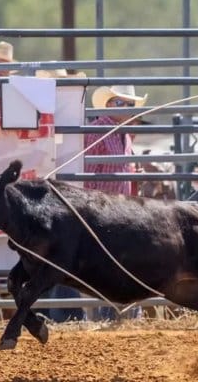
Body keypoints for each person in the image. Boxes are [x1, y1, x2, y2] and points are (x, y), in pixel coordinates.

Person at [85, 85, 148, 320]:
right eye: (121, 103)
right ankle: (110, 314)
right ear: (108, 105)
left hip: (121, 209)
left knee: (125, 262)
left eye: (130, 105)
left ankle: (129, 313)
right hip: (100, 211)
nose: (127, 109)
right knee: (109, 264)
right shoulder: (95, 131)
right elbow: (86, 173)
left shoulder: (124, 133)